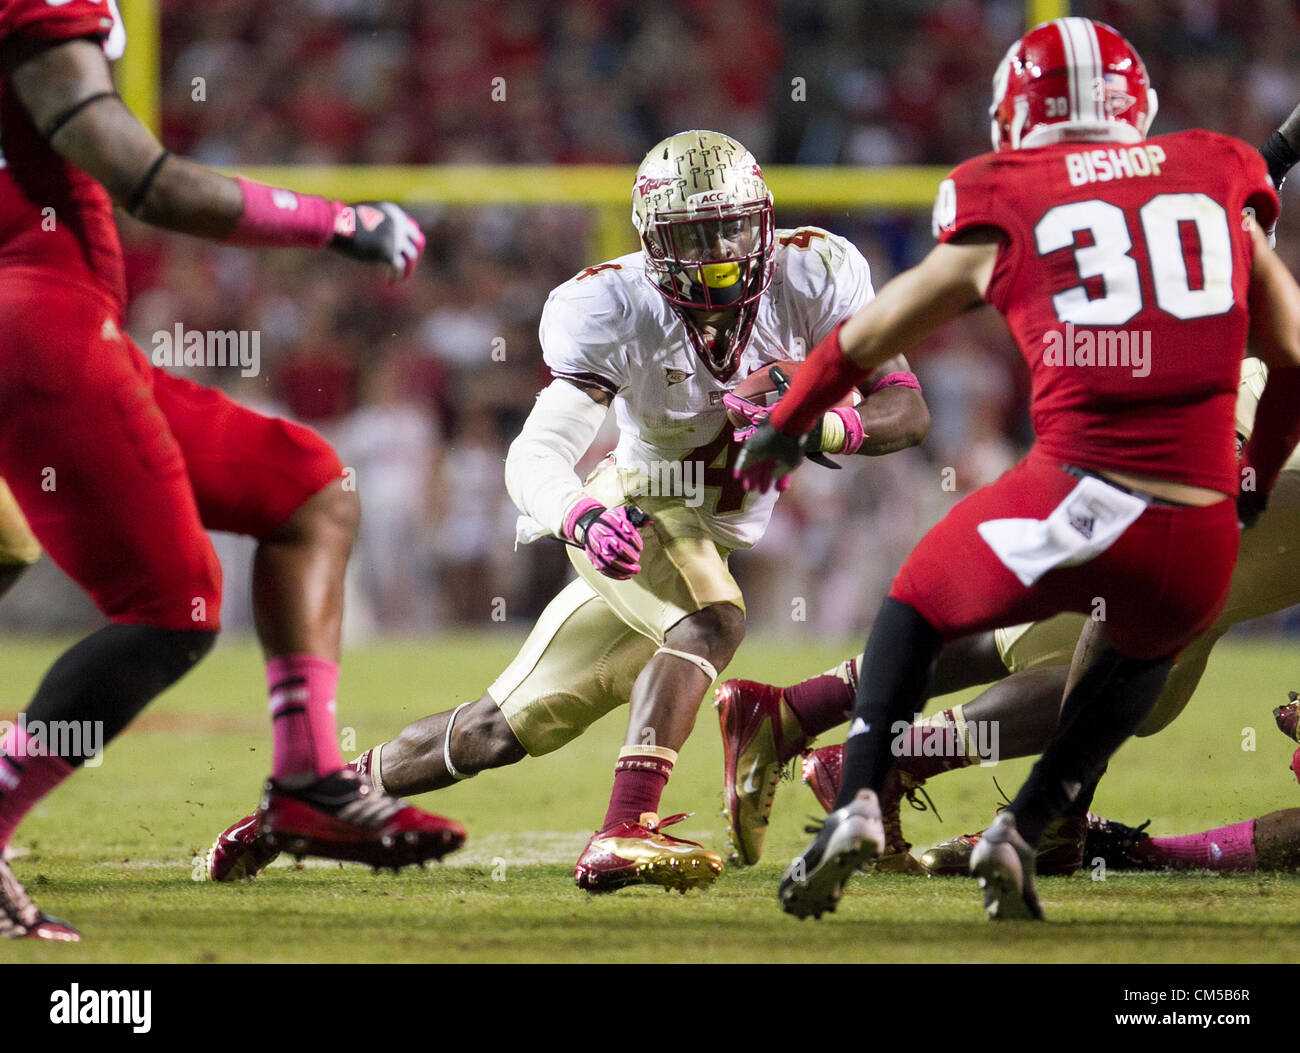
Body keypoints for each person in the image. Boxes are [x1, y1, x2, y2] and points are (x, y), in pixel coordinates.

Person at [207, 129, 931, 894]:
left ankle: (299, 809)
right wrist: (579, 515)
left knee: (495, 730)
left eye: (731, 227)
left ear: (764, 221)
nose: (719, 253)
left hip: (707, 535)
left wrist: (824, 426)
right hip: (640, 511)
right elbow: (535, 451)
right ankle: (623, 828)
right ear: (653, 242)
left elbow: (906, 410)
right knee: (713, 621)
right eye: (696, 235)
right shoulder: (616, 303)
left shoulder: (816, 270)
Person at [735, 17, 1300, 920]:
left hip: (1076, 489)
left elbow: (863, 337)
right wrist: (1253, 479)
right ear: (1137, 108)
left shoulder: (1014, 193)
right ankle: (1032, 823)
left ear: (1014, 117)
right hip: (1194, 519)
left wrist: (789, 423)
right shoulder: (1218, 175)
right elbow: (1290, 350)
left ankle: (859, 803)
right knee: (1136, 657)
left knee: (917, 600)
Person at [0, 0, 463, 940]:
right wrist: (335, 222)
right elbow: (147, 180)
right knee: (175, 606)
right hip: (40, 318)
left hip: (65, 317)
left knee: (306, 486)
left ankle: (308, 781)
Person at [723, 358, 1300, 874]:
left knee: (1100, 660)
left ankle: (809, 718)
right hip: (1251, 440)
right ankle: (1030, 813)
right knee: (1135, 628)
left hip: (1218, 417)